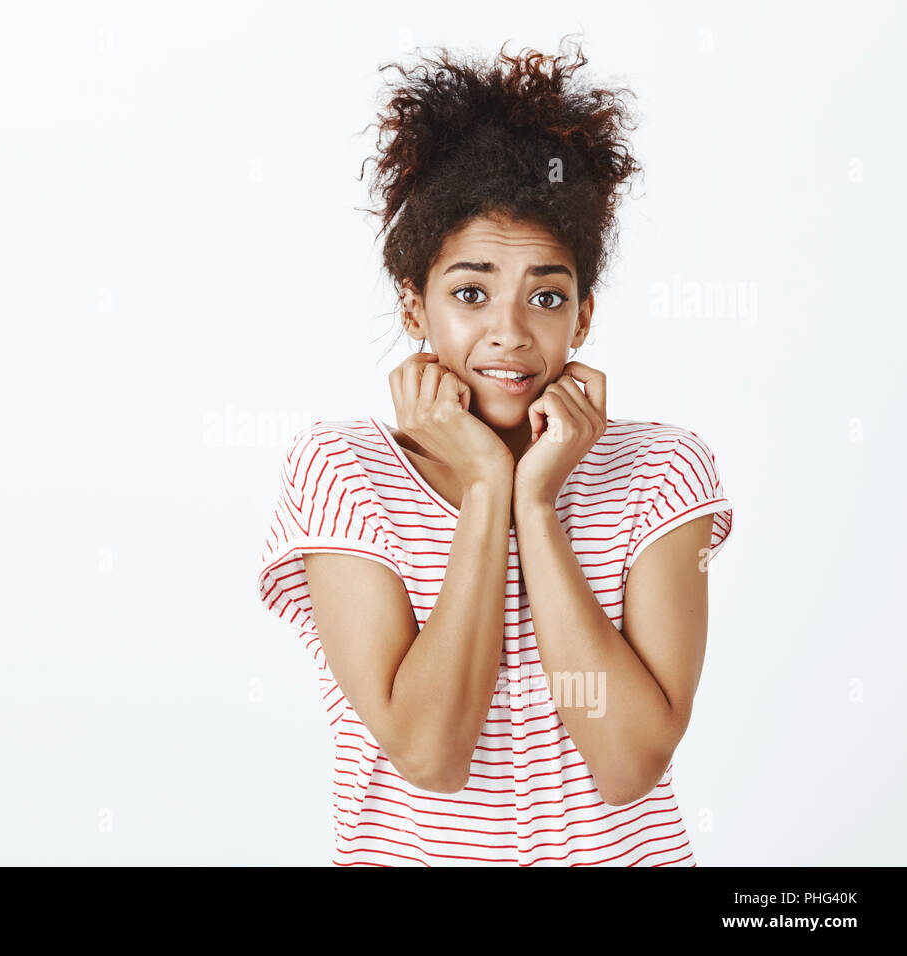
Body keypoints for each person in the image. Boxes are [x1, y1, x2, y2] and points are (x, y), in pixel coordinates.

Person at [255, 38, 733, 866]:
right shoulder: (343, 473)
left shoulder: (661, 471)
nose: (510, 332)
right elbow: (431, 753)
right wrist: (485, 486)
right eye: (470, 292)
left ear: (582, 318)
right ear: (415, 308)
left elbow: (627, 764)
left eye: (546, 296)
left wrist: (536, 505)